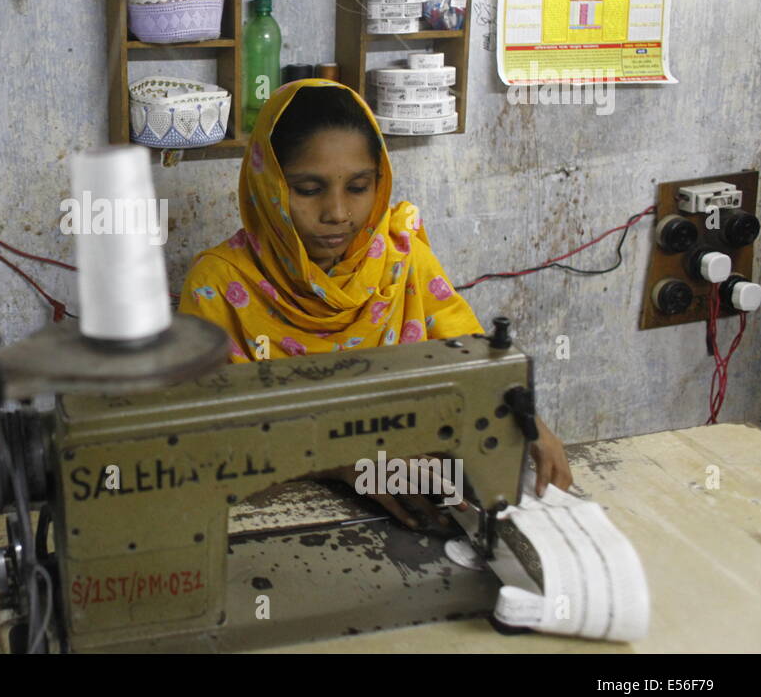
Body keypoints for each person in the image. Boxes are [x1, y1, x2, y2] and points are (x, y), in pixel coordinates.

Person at [177, 79, 572, 528]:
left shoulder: (403, 262)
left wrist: (526, 417)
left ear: (379, 182)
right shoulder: (219, 284)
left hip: (406, 495)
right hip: (271, 513)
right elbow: (205, 437)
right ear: (268, 185)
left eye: (359, 187)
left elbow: (472, 362)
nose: (338, 213)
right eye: (308, 189)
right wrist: (344, 464)